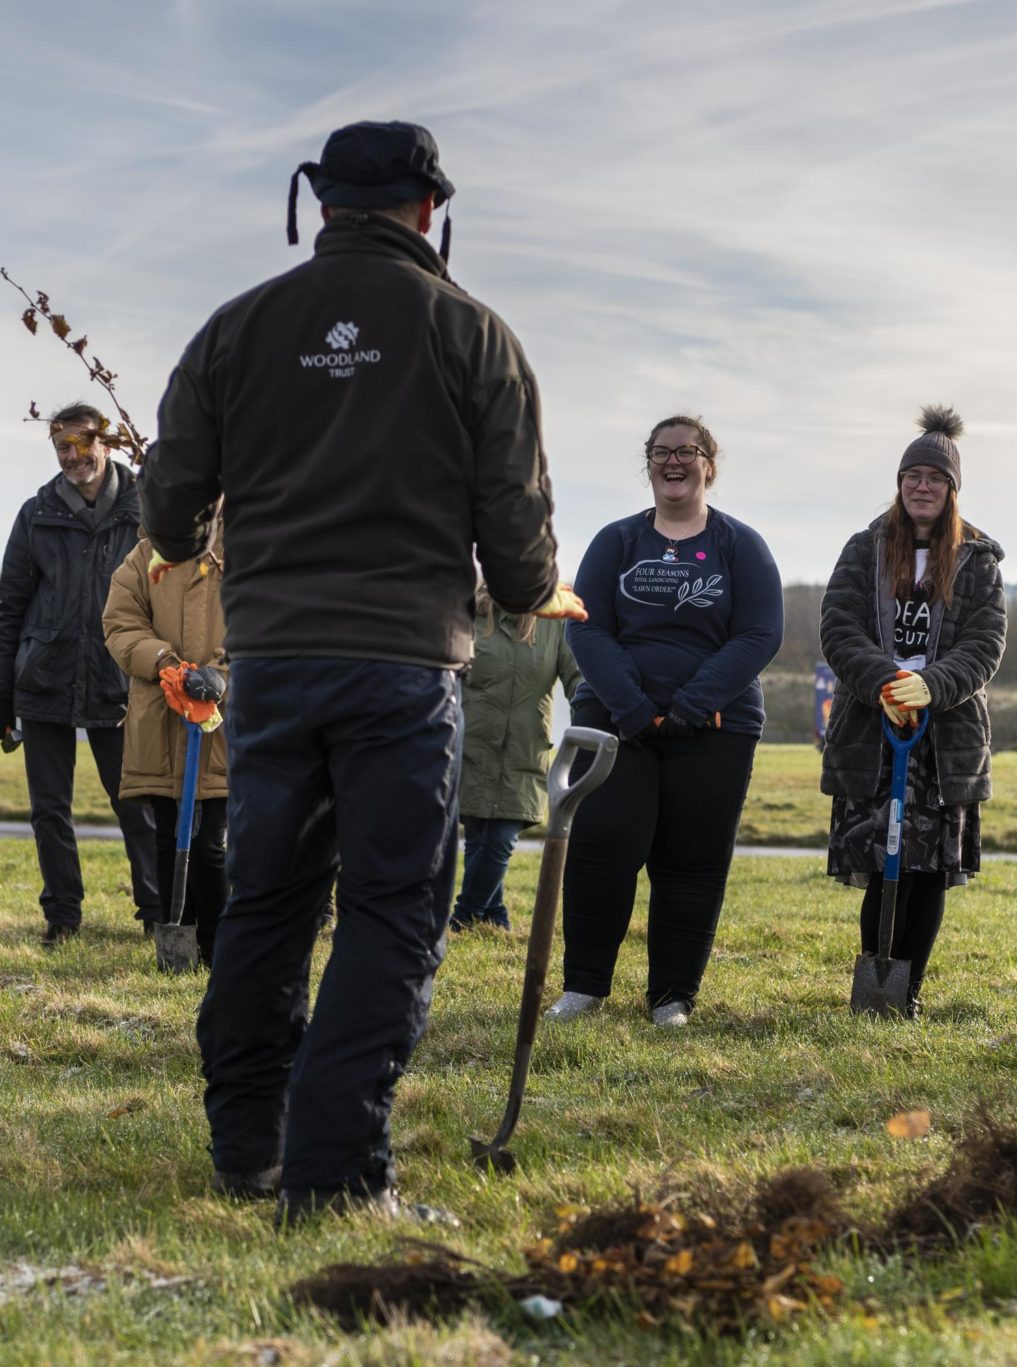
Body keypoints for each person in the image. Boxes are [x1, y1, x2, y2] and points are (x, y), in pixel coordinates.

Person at [140, 120, 581, 1218]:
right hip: (401, 667)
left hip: (276, 664)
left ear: (320, 202)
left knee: (266, 900)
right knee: (390, 913)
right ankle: (337, 1173)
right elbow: (518, 540)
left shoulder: (236, 328)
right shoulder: (471, 332)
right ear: (428, 209)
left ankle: (248, 1148)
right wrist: (525, 589)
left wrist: (221, 542)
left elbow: (168, 508)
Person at [547, 414, 784, 1027]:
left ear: (710, 464)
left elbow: (760, 632)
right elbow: (588, 626)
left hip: (713, 726)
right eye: (660, 452)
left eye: (687, 451)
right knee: (603, 850)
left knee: (691, 860)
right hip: (617, 723)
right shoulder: (616, 541)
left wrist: (691, 702)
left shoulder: (740, 545)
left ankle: (672, 997)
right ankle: (584, 988)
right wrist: (632, 706)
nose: (672, 462)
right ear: (648, 464)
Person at [819, 406, 1006, 1018]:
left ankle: (909, 993)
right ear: (899, 485)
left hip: (942, 739)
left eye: (935, 477)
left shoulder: (977, 560)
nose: (922, 487)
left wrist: (932, 686)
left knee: (926, 872)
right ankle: (877, 987)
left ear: (952, 489)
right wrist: (889, 685)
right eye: (912, 477)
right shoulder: (863, 549)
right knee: (881, 864)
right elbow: (839, 628)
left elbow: (985, 643)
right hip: (872, 732)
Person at [0, 403, 160, 946]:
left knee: (137, 803)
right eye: (63, 447)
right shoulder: (35, 513)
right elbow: (9, 606)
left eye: (84, 445)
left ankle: (155, 911)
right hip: (45, 677)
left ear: (105, 444)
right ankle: (63, 916)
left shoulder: (143, 511)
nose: (74, 457)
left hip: (120, 679)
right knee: (49, 811)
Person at [103, 515, 229, 964]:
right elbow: (120, 624)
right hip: (159, 716)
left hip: (218, 722)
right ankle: (176, 950)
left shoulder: (240, 553)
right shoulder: (142, 558)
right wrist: (164, 663)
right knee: (166, 838)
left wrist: (220, 674)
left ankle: (217, 951)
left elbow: (261, 624)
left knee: (210, 843)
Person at [449, 585, 582, 932]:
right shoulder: (469, 614)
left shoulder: (554, 623)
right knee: (481, 837)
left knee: (500, 839)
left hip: (523, 750)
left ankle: (464, 917)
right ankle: (494, 917)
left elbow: (577, 678)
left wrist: (600, 711)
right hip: (473, 746)